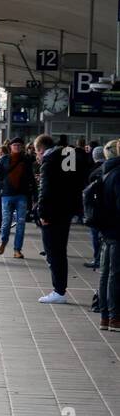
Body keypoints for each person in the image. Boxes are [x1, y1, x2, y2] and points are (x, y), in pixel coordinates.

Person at [35, 133, 76, 303]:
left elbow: (46, 191)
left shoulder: (48, 162)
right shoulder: (68, 156)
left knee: (53, 253)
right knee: (60, 251)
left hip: (52, 214)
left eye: (36, 152)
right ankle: (60, 289)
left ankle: (59, 291)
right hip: (66, 211)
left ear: (41, 149)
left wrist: (43, 213)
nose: (36, 156)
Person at [0, 136, 35, 258]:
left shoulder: (27, 160)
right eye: (15, 145)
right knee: (6, 222)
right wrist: (0, 188)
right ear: (10, 147)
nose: (17, 147)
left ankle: (17, 250)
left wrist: (35, 195)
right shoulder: (3, 160)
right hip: (7, 194)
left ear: (22, 147)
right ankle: (3, 241)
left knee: (21, 223)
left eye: (19, 145)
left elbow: (31, 177)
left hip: (22, 195)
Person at [95, 140, 120, 330]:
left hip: (104, 228)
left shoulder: (104, 171)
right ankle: (114, 316)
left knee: (105, 273)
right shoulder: (118, 174)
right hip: (117, 229)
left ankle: (105, 316)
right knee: (115, 274)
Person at [85, 145, 106, 269]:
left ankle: (97, 259)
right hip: (106, 208)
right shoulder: (111, 169)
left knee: (95, 235)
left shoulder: (94, 171)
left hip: (96, 208)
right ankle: (101, 258)